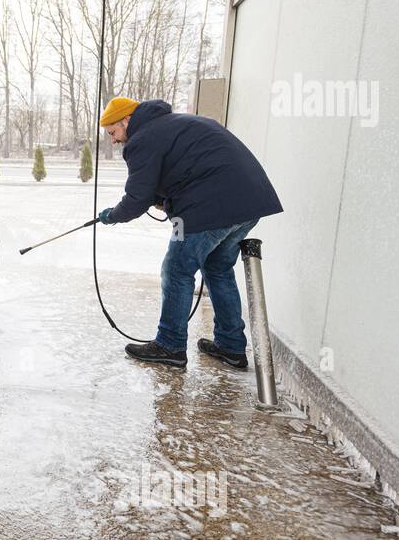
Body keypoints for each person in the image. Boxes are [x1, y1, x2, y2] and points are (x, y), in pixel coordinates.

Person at [96, 96, 282, 369]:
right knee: (217, 268)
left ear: (127, 119)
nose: (114, 140)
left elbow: (137, 197)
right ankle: (231, 346)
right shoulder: (174, 124)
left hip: (209, 207)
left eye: (113, 132)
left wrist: (113, 215)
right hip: (250, 202)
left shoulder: (142, 139)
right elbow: (183, 172)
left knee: (177, 270)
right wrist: (164, 201)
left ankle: (170, 345)